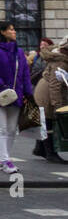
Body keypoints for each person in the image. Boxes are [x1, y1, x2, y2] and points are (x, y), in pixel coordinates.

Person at [0, 20, 34, 174]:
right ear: (2, 32)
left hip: (17, 96)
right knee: (1, 129)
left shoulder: (19, 52)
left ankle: (4, 159)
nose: (14, 31)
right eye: (11, 29)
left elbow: (25, 75)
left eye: (14, 29)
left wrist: (28, 94)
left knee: (11, 130)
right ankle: (5, 160)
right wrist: (1, 84)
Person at [32, 35, 68, 163]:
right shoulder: (61, 62)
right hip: (46, 94)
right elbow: (55, 85)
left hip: (44, 91)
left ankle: (40, 148)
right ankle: (51, 154)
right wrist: (58, 106)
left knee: (46, 122)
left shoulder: (62, 58)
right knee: (49, 123)